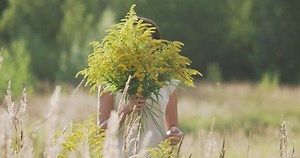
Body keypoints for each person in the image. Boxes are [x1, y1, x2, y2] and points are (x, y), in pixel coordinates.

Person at [97, 17, 184, 156]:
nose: (141, 50)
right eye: (136, 44)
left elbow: (172, 127)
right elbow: (101, 132)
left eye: (147, 45)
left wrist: (174, 134)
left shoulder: (167, 82)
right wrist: (126, 109)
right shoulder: (110, 82)